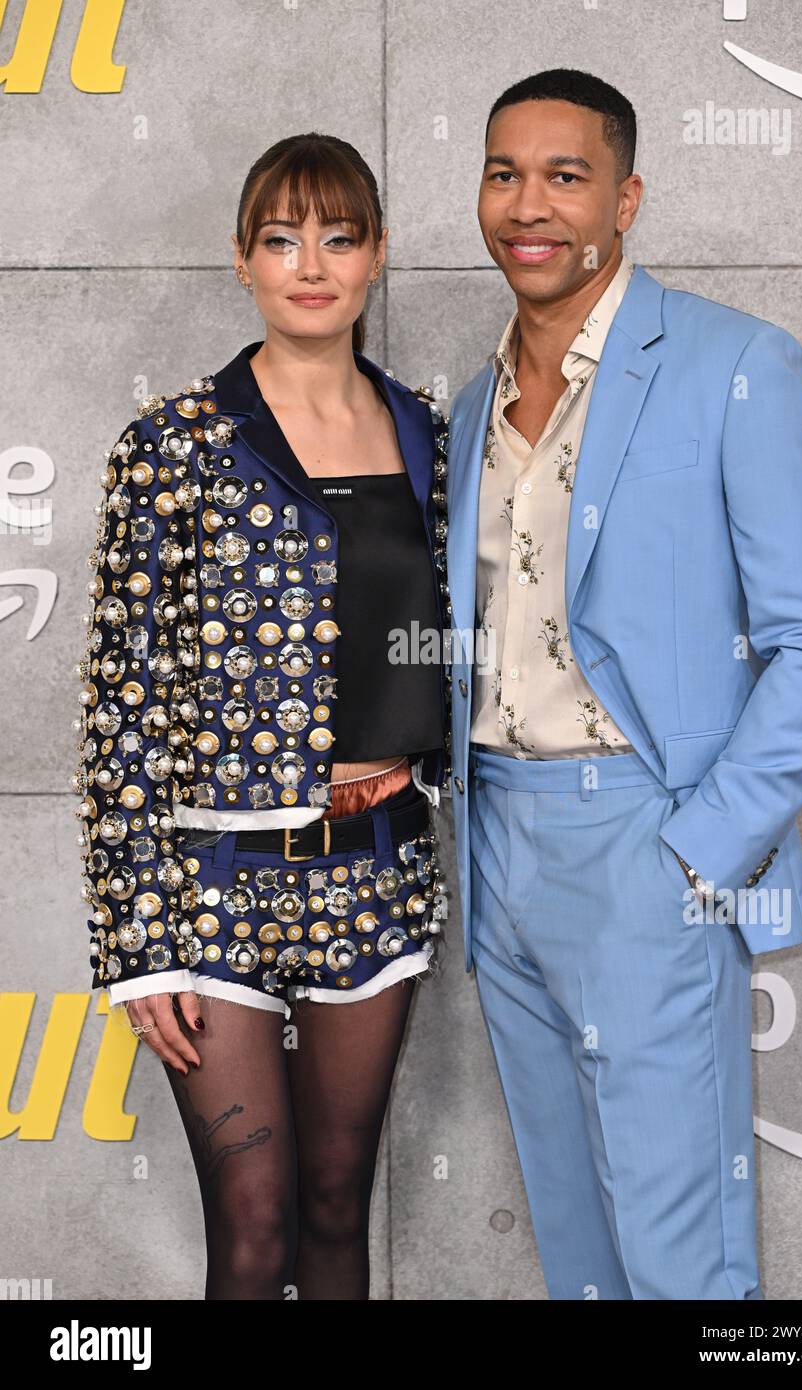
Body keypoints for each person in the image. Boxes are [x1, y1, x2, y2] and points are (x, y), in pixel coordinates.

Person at [445, 69, 802, 1300]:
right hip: (497, 851)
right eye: (502, 172)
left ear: (623, 197)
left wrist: (698, 852)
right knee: (576, 1254)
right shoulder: (473, 404)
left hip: (644, 845)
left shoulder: (732, 363)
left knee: (682, 1265)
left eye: (565, 176)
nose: (529, 205)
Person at [75, 133, 451, 1300]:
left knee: (338, 1213)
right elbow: (118, 705)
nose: (310, 264)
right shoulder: (173, 445)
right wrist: (138, 938)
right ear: (241, 260)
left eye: (338, 237)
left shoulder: (429, 434)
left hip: (376, 873)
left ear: (376, 256)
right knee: (250, 1226)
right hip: (212, 885)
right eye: (281, 238)